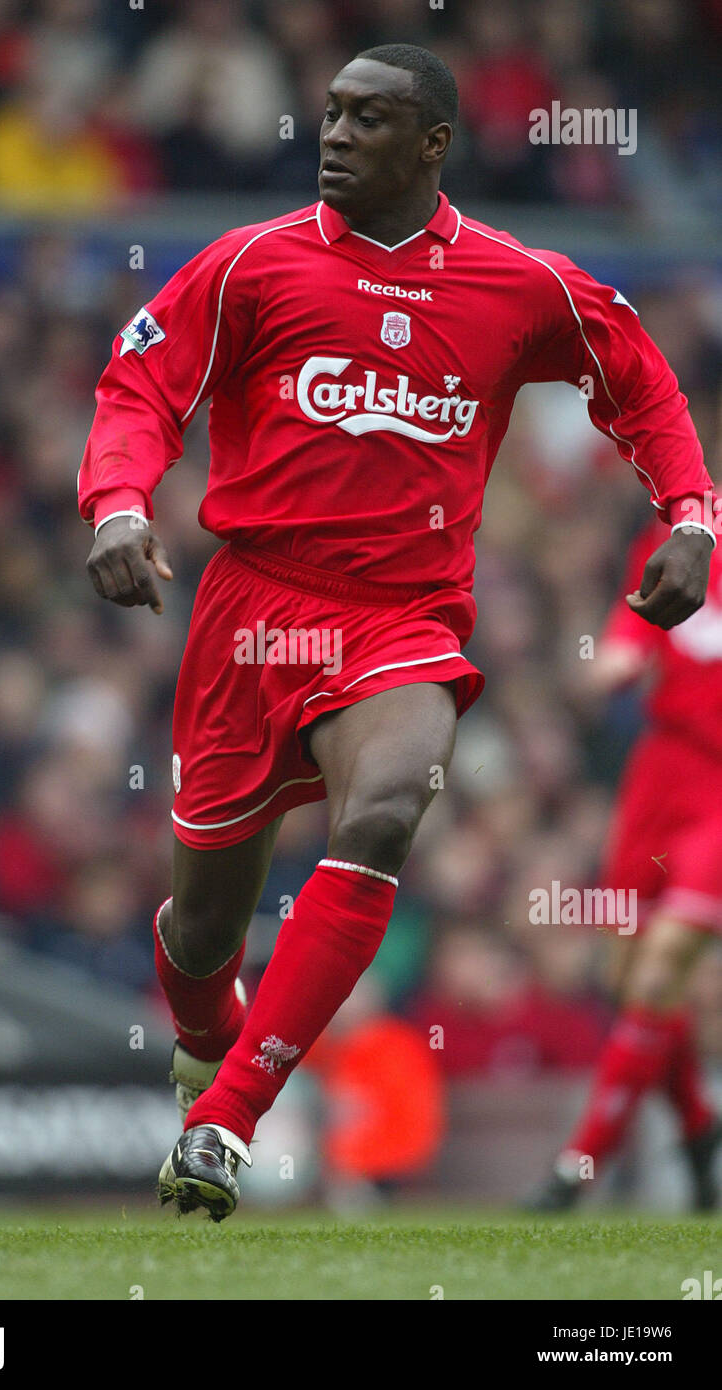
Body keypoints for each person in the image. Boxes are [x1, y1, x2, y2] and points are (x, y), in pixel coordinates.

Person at [79, 44, 718, 1222]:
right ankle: (205, 1035)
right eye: (327, 114)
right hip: (249, 618)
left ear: (431, 144)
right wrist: (117, 502)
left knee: (384, 808)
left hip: (400, 620)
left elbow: (639, 383)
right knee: (204, 930)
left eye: (366, 119)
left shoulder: (516, 282)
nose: (331, 134)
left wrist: (689, 514)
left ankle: (225, 1121)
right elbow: (138, 387)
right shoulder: (249, 264)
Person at [528, 516, 722, 1211]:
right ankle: (699, 1130)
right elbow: (638, 614)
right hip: (661, 774)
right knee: (625, 975)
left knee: (663, 962)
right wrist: (617, 653)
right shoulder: (691, 531)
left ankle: (573, 1171)